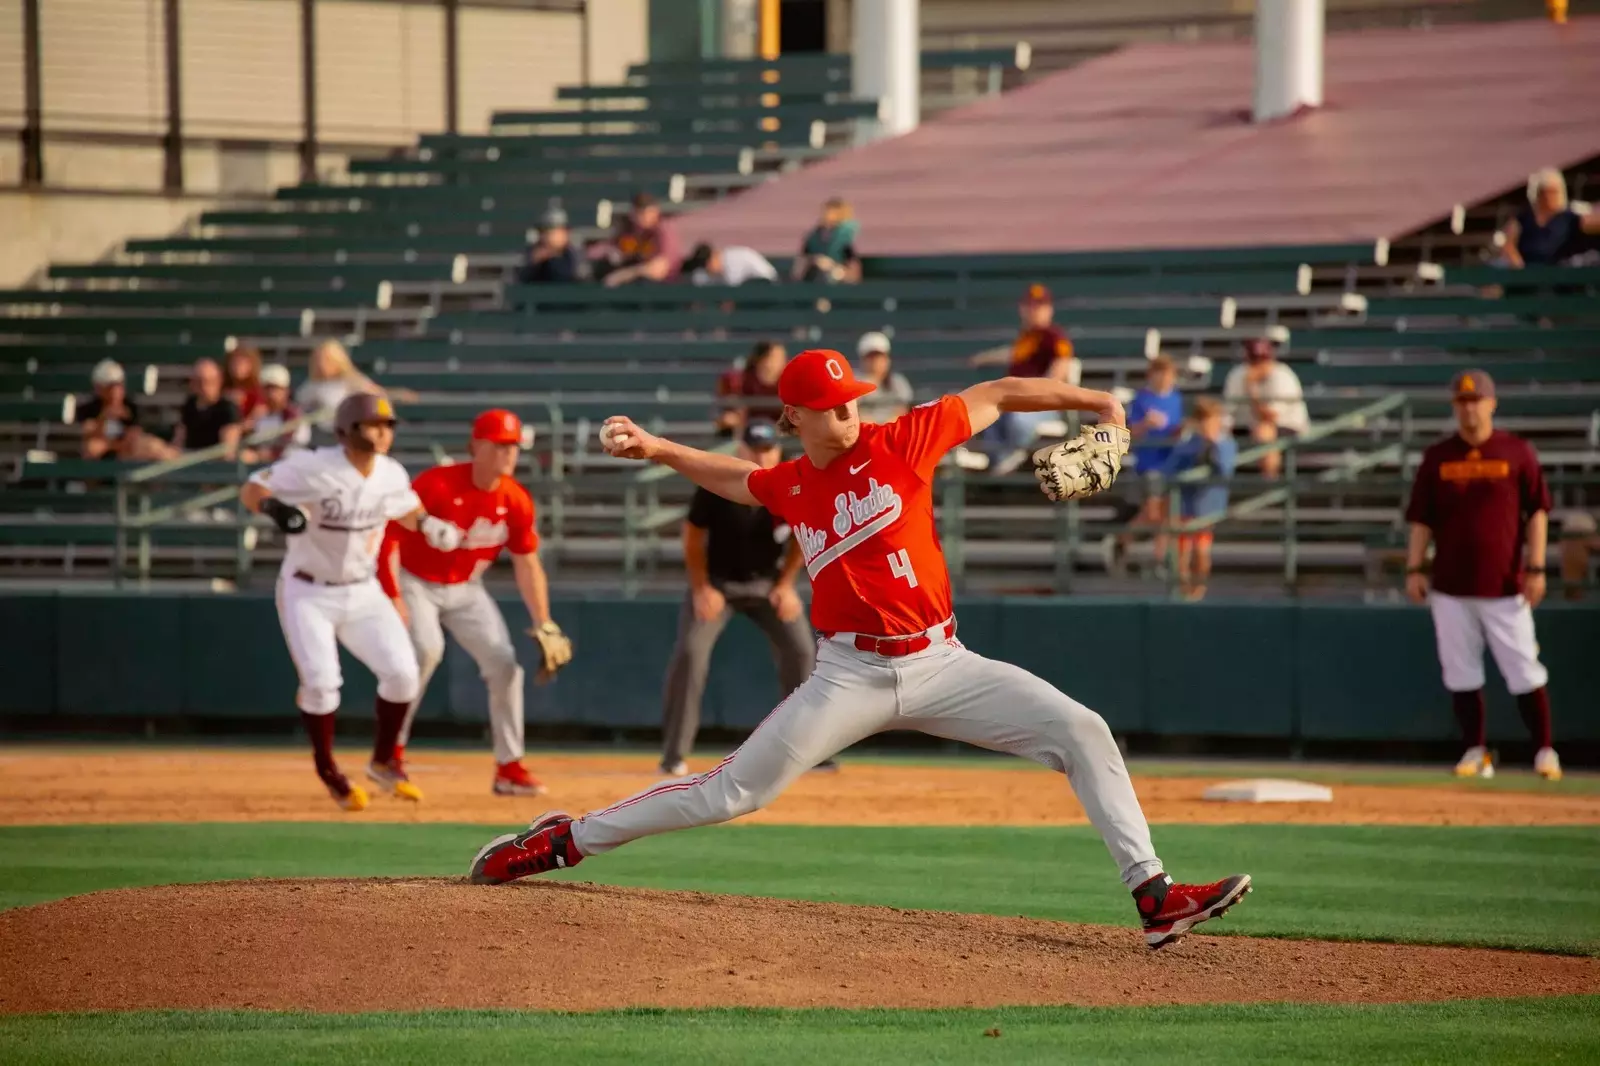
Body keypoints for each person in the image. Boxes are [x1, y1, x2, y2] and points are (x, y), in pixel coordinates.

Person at [470, 349, 1253, 952]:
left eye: (850, 402)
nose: (845, 415)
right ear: (794, 417)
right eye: (828, 407)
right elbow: (742, 479)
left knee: (1082, 729)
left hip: (945, 662)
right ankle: (563, 841)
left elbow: (1000, 394)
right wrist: (659, 448)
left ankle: (1155, 897)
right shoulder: (794, 485)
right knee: (730, 794)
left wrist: (1100, 403)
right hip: (851, 672)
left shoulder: (903, 437)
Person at [240, 393, 467, 809]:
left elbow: (406, 507)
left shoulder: (390, 472)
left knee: (403, 674)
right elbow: (253, 487)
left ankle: (383, 761)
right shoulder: (314, 465)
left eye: (387, 425)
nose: (383, 432)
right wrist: (273, 508)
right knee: (323, 684)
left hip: (363, 589)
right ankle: (328, 770)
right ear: (347, 430)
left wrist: (430, 525)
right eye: (373, 425)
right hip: (307, 590)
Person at [378, 409, 572, 797]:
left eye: (514, 446)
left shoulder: (515, 499)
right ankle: (389, 754)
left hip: (466, 587)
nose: (509, 454)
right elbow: (390, 533)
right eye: (500, 445)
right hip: (416, 579)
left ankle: (509, 767)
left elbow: (527, 563)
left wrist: (544, 621)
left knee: (504, 664)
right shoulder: (438, 483)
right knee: (425, 651)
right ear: (476, 446)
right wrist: (393, 592)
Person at [1404, 369, 1561, 781]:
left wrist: (1537, 566)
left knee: (1524, 667)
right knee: (1460, 670)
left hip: (1504, 583)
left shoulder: (1516, 452)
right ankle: (1476, 750)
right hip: (1452, 584)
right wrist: (1415, 566)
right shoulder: (1439, 456)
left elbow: (1538, 512)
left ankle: (1544, 749)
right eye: (1462, 402)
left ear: (1493, 403)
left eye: (1476, 401)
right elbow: (1421, 519)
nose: (1469, 409)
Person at [659, 421, 815, 777]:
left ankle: (808, 749)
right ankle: (673, 755)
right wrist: (701, 588)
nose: (761, 455)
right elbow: (693, 535)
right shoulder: (720, 481)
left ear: (777, 451)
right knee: (691, 653)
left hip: (767, 585)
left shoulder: (791, 484)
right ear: (741, 450)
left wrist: (787, 584)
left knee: (803, 650)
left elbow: (803, 538)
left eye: (768, 449)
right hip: (718, 585)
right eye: (754, 448)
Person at [968, 284, 1078, 474]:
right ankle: (997, 462)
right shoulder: (1026, 337)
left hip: (1043, 404)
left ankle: (1012, 453)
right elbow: (1011, 354)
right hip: (1017, 400)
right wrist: (983, 358)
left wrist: (1034, 394)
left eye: (1039, 306)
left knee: (1018, 419)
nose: (1033, 311)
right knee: (989, 413)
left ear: (1049, 309)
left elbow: (1060, 369)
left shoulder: (1054, 336)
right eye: (1030, 306)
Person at [1111, 355, 1185, 572]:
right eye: (1159, 373)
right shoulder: (1140, 400)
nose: (1164, 379)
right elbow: (1129, 434)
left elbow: (1176, 429)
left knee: (1167, 514)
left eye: (1168, 374)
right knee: (1153, 513)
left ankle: (1158, 558)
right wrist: (1145, 424)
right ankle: (1121, 541)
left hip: (1170, 463)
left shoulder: (1176, 399)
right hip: (1149, 465)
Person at [1158, 396, 1237, 601]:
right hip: (1185, 504)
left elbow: (1224, 469)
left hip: (1208, 508)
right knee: (1181, 553)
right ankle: (1183, 594)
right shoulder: (1189, 442)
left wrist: (1213, 444)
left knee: (1202, 552)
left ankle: (1198, 593)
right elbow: (1170, 469)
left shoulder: (1226, 443)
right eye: (1202, 419)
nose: (1206, 424)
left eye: (1210, 419)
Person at [1222, 338, 1308, 479]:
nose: (1258, 365)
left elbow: (1270, 417)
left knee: (1265, 430)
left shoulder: (1282, 376)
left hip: (1288, 427)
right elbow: (1227, 411)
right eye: (1254, 360)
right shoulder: (1237, 374)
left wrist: (1251, 389)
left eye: (1262, 360)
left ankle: (1269, 483)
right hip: (1247, 426)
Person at [1495, 168, 1600, 268]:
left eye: (1553, 192)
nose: (1548, 197)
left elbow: (1592, 222)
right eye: (1544, 192)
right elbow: (1508, 243)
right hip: (1529, 274)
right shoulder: (1523, 218)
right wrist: (1520, 269)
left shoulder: (1570, 217)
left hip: (1562, 275)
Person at [78, 359, 175, 462]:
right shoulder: (90, 408)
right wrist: (104, 417)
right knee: (92, 449)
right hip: (104, 448)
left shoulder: (130, 407)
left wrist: (116, 443)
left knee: (154, 446)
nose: (114, 391)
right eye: (109, 387)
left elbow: (134, 435)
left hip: (126, 449)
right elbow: (89, 434)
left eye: (118, 386)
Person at [594, 192, 682, 288]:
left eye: (645, 213)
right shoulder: (631, 231)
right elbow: (614, 251)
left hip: (661, 288)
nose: (641, 218)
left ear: (655, 211)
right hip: (631, 282)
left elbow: (659, 269)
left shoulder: (663, 231)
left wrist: (624, 275)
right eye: (638, 213)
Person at [296, 339, 386, 424]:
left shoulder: (353, 381)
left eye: (327, 359)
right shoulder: (311, 384)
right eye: (319, 359)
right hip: (317, 434)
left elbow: (379, 400)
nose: (322, 364)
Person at [714, 340, 786, 437]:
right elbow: (729, 415)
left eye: (782, 358)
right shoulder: (740, 380)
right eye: (774, 358)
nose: (780, 362)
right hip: (746, 432)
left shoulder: (790, 381)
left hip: (780, 434)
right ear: (760, 359)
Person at [242, 363, 311, 464]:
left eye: (276, 388)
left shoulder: (294, 415)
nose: (271, 394)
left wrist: (262, 455)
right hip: (262, 469)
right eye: (267, 388)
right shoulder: (259, 416)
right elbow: (250, 442)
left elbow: (292, 448)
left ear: (286, 390)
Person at [172, 358, 242, 457]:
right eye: (198, 382)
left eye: (208, 381)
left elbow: (228, 451)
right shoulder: (190, 405)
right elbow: (178, 440)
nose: (203, 387)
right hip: (187, 458)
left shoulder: (227, 408)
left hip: (213, 464)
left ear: (219, 381)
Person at [791, 197, 861, 283]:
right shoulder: (813, 238)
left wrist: (832, 267)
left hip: (837, 282)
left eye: (832, 213)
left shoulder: (845, 240)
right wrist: (812, 262)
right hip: (813, 280)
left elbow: (853, 274)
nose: (826, 216)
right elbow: (799, 267)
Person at [854, 331, 913, 424]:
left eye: (879, 357)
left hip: (893, 431)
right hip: (866, 432)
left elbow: (902, 410)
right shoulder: (854, 382)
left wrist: (886, 428)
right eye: (871, 357)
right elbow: (855, 412)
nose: (875, 362)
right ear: (863, 359)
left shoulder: (897, 381)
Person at [517, 207, 587, 284]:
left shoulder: (573, 253)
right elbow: (521, 279)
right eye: (544, 231)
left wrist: (553, 255)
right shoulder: (532, 254)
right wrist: (535, 262)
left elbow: (573, 276)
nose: (547, 236)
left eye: (553, 231)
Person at [682, 241, 778, 287]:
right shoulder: (713, 269)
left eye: (708, 263)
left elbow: (732, 291)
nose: (708, 267)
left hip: (765, 284)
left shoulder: (731, 259)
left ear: (714, 255)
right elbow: (699, 281)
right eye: (704, 265)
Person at [224, 346, 265, 429]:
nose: (237, 367)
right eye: (234, 362)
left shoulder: (257, 391)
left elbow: (258, 414)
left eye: (242, 362)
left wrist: (239, 428)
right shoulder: (222, 389)